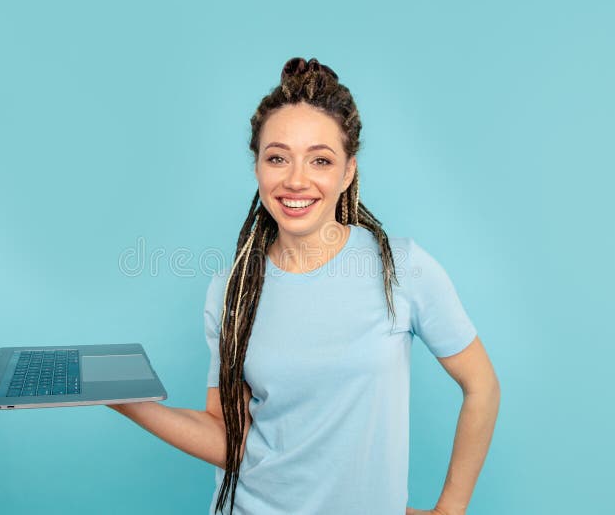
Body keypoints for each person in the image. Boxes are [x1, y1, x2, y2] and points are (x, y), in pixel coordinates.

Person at [108, 57, 500, 515]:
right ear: (257, 166)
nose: (296, 179)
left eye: (320, 159)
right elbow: (230, 440)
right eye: (278, 157)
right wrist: (125, 402)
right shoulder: (231, 289)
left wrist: (449, 510)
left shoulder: (402, 268)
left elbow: (482, 386)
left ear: (348, 171)